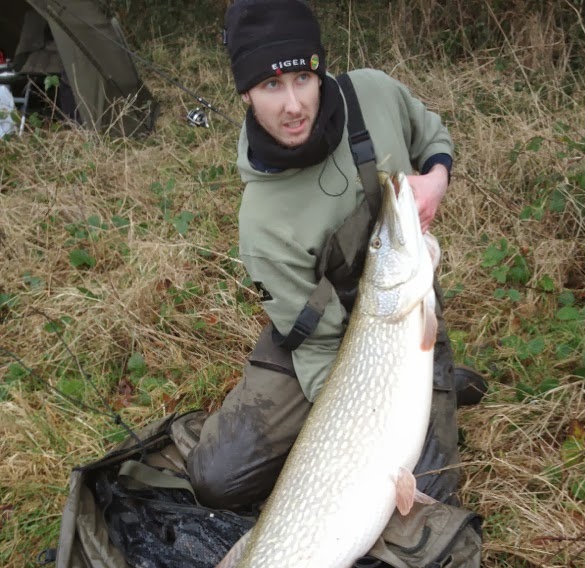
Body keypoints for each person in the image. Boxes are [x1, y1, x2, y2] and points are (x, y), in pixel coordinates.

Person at [176, 0, 487, 515]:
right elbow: (318, 352)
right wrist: (353, 429)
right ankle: (429, 385)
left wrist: (435, 179)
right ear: (247, 92)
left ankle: (431, 377)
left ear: (321, 72)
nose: (293, 104)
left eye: (303, 77)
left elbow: (432, 135)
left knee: (425, 499)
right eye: (271, 86)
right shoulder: (261, 221)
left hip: (399, 308)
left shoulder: (374, 92)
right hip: (317, 335)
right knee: (218, 478)